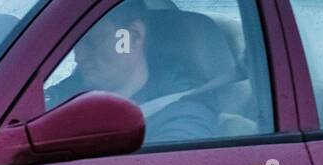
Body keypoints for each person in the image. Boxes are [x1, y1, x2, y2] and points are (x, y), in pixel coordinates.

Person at [45, 0, 218, 143]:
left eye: (91, 41)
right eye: (77, 42)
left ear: (133, 36)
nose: (78, 57)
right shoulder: (69, 91)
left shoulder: (183, 110)